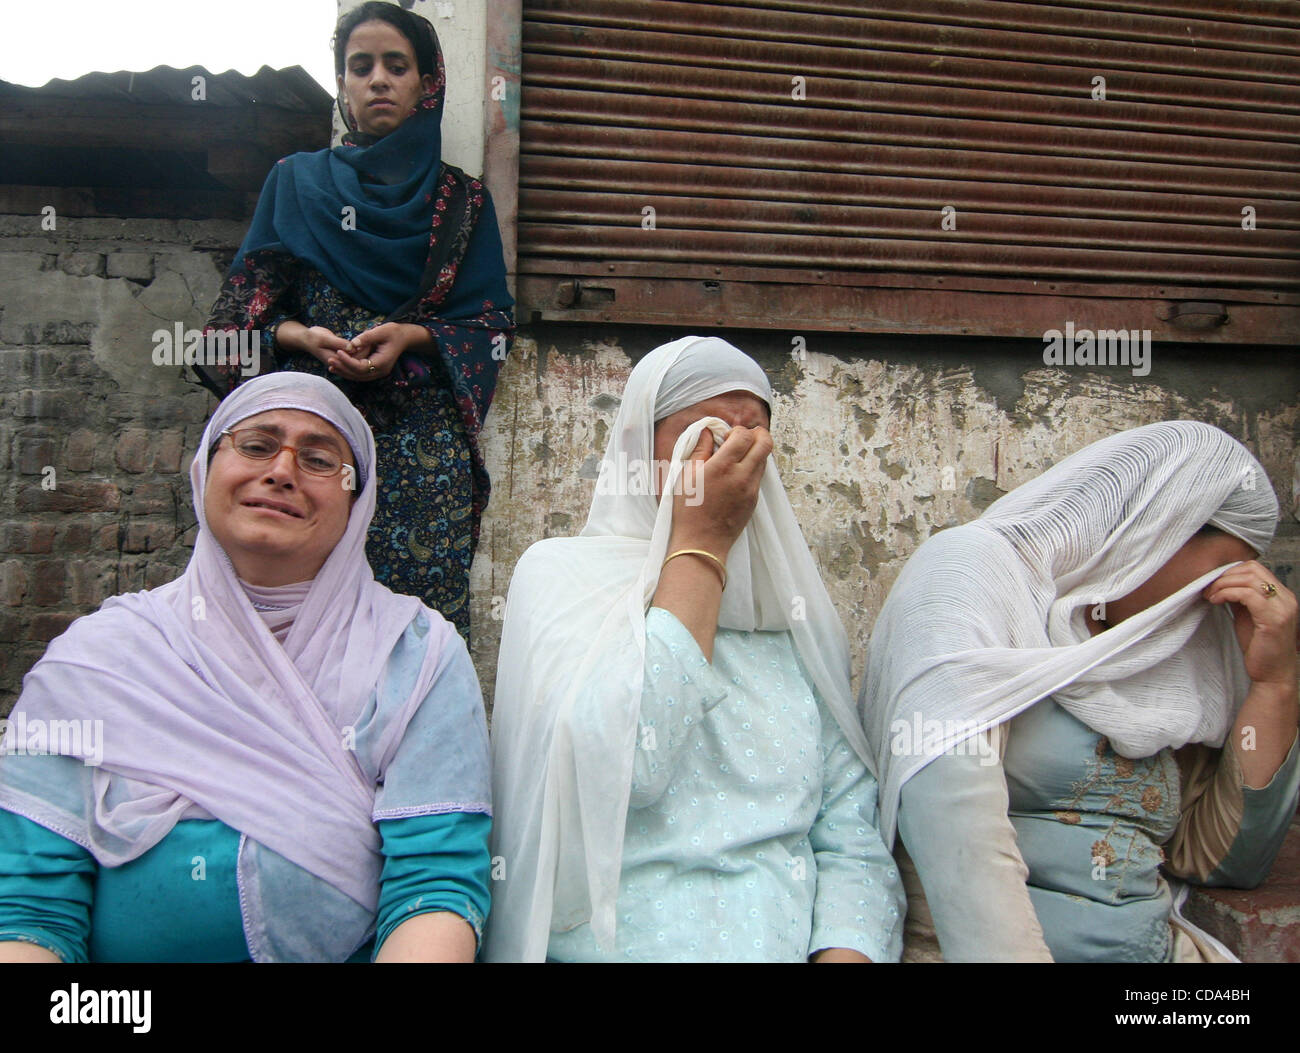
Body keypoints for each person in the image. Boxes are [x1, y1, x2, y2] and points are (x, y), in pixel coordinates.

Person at [0, 373, 492, 962]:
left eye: (318, 458)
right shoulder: (101, 658)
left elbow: (433, 888)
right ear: (207, 469)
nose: (282, 471)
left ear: (357, 502)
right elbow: (30, 907)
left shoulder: (415, 654)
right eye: (256, 445)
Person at [485, 335, 904, 962]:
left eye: (752, 436)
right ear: (636, 446)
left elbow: (848, 831)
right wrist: (701, 544)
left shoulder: (787, 620)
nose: (731, 454)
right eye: (703, 433)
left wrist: (845, 954)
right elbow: (632, 768)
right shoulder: (564, 580)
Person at [860, 420, 1300, 962]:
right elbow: (956, 834)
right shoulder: (971, 575)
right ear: (1157, 524)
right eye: (1223, 569)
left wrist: (1275, 684)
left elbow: (1221, 861)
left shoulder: (1178, 654)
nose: (1216, 597)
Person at [198, 2, 514, 640]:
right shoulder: (295, 183)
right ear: (341, 83)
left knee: (404, 639)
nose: (377, 80)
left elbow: (492, 330)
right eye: (359, 66)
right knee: (283, 625)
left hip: (418, 451)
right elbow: (226, 332)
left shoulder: (464, 202)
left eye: (396, 67)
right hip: (304, 440)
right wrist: (300, 339)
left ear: (428, 85)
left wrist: (409, 337)